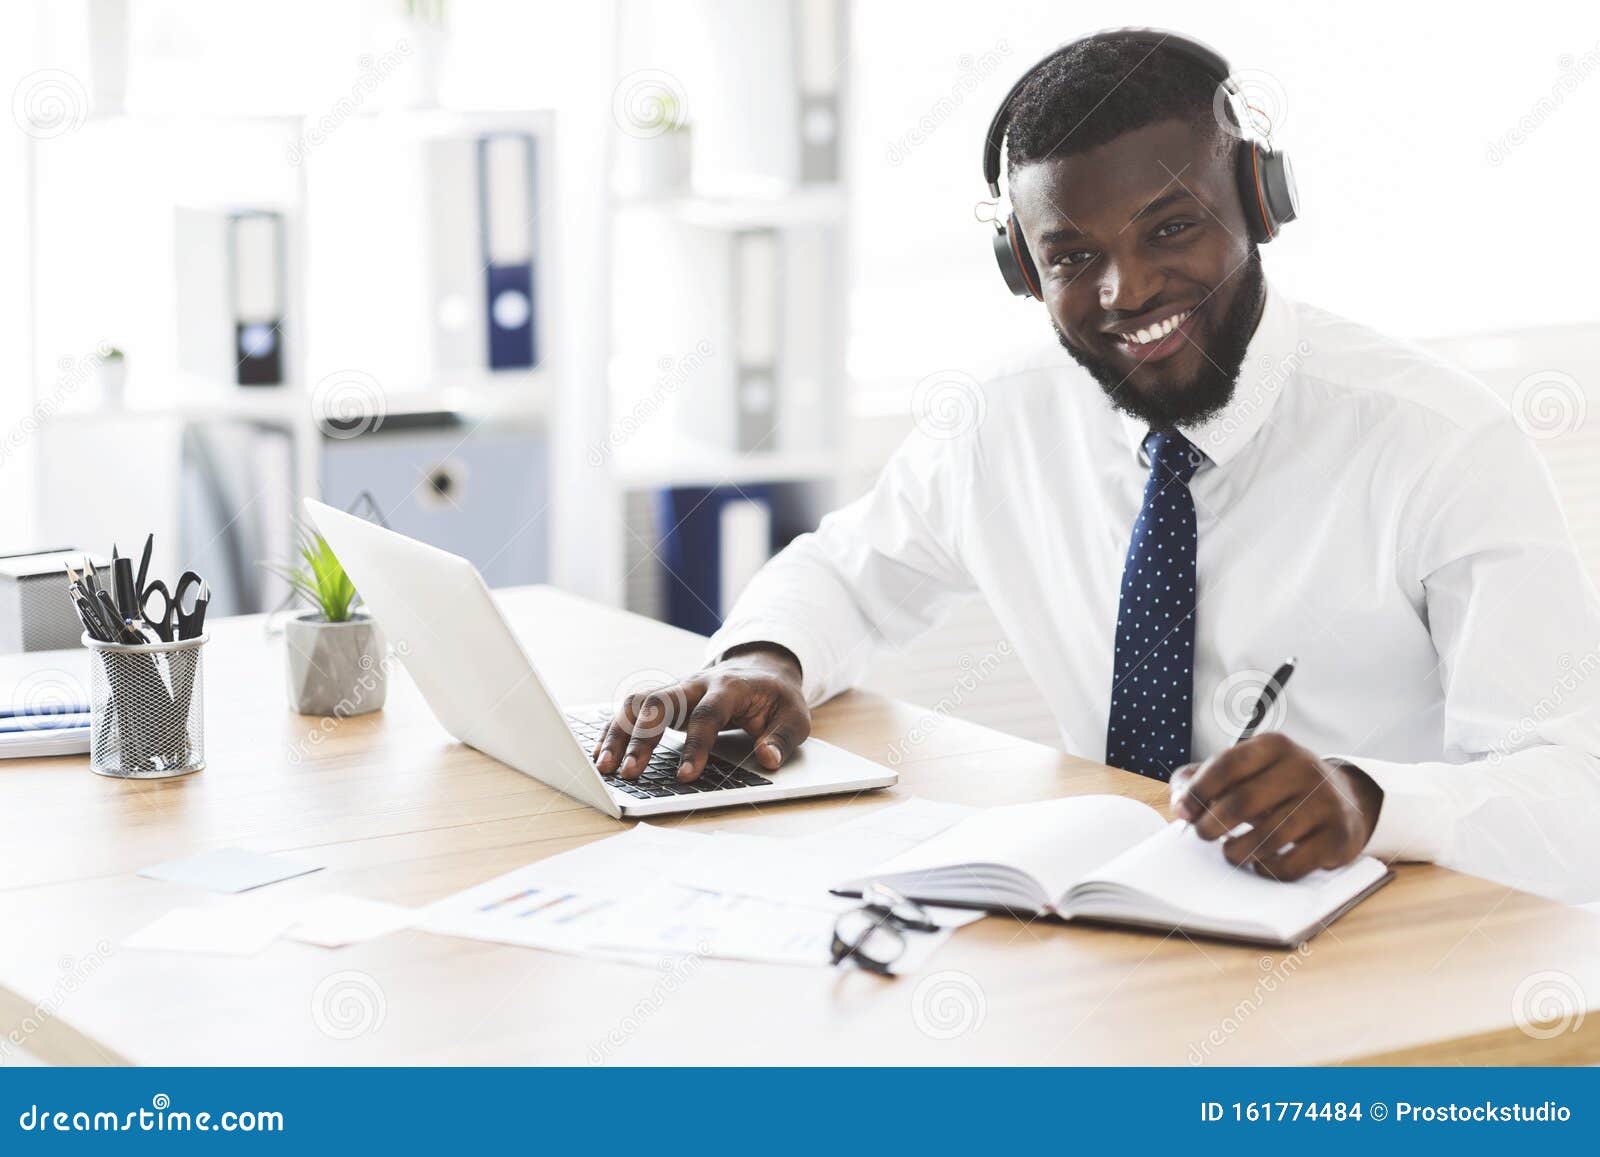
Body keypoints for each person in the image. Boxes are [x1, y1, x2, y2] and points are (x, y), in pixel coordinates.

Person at [592, 31, 1600, 904]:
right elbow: (845, 571)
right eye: (1072, 255)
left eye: (1170, 227)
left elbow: (1569, 791)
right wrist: (765, 658)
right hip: (1120, 934)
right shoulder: (1001, 421)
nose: (1127, 288)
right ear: (1021, 270)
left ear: (1257, 200)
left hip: (1390, 937)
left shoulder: (1439, 442)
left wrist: (1371, 798)